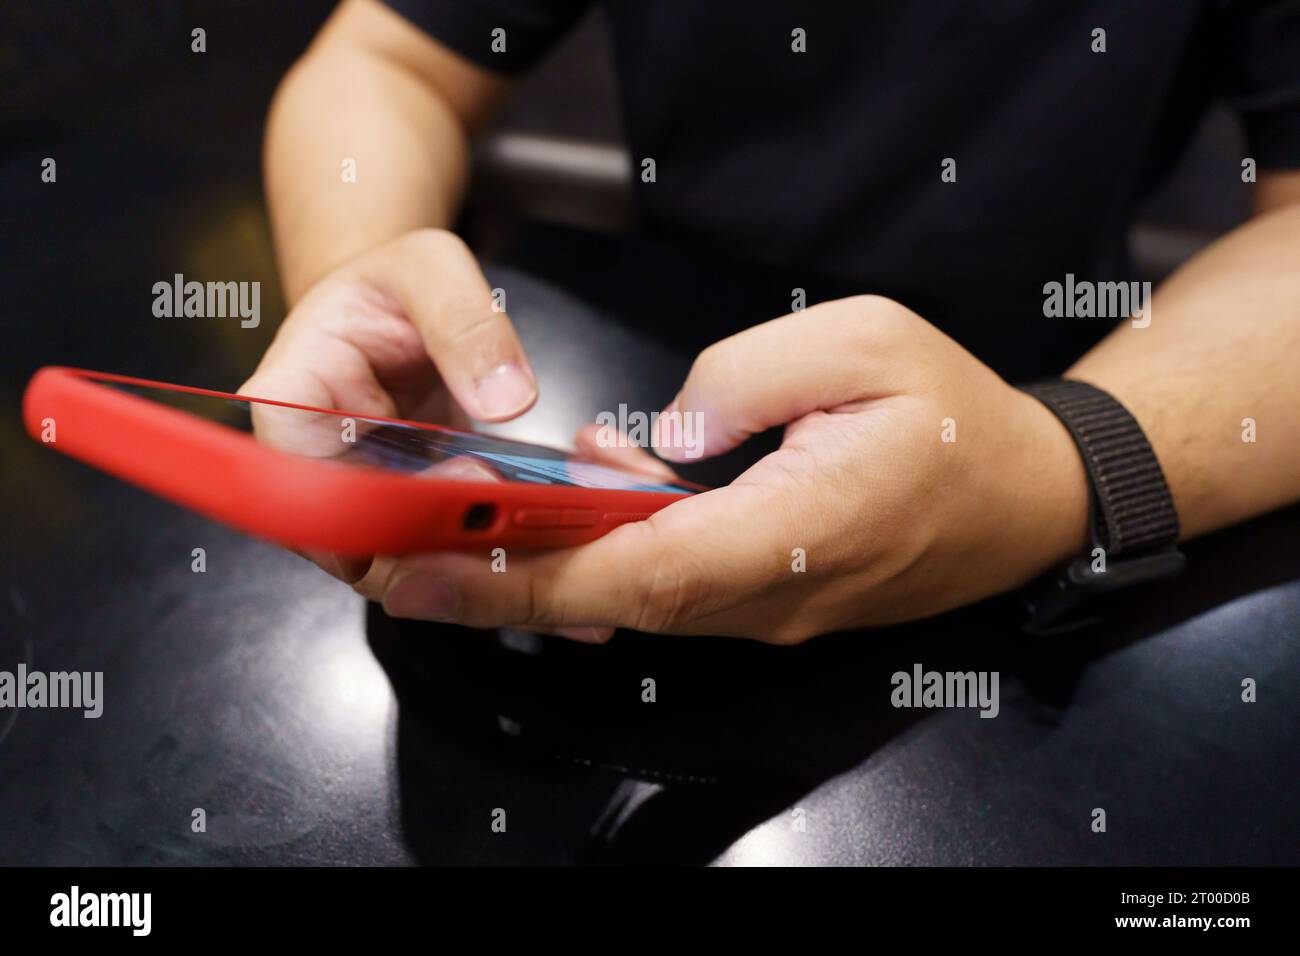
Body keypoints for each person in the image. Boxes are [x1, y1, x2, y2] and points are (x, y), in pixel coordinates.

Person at [242, 0, 1300, 643]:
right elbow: (388, 61)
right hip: (662, 390)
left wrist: (1061, 460)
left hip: (1072, 387)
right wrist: (356, 274)